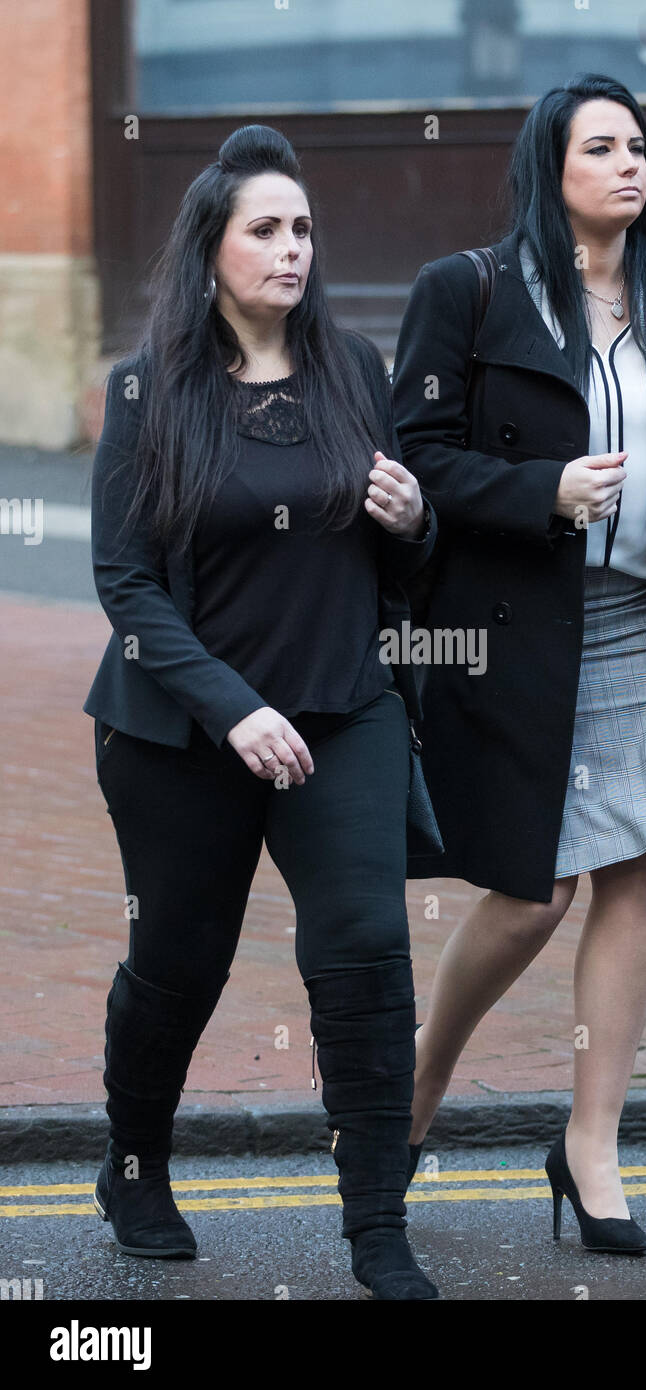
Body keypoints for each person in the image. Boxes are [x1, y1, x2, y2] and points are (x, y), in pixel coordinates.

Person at [391, 74, 646, 1254]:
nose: (628, 164)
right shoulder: (470, 291)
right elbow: (416, 461)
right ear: (549, 169)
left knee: (639, 877)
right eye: (599, 147)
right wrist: (538, 492)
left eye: (637, 147)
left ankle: (591, 1143)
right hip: (517, 626)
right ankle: (418, 1082)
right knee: (532, 891)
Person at [84, 124, 440, 1300]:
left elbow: (404, 572)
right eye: (265, 230)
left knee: (365, 953)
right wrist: (234, 711)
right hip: (184, 734)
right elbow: (126, 583)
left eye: (302, 230)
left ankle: (378, 1231)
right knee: (178, 966)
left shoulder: (355, 371)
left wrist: (412, 522)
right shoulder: (149, 392)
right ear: (212, 249)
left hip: (342, 713)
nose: (291, 249)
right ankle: (134, 1164)